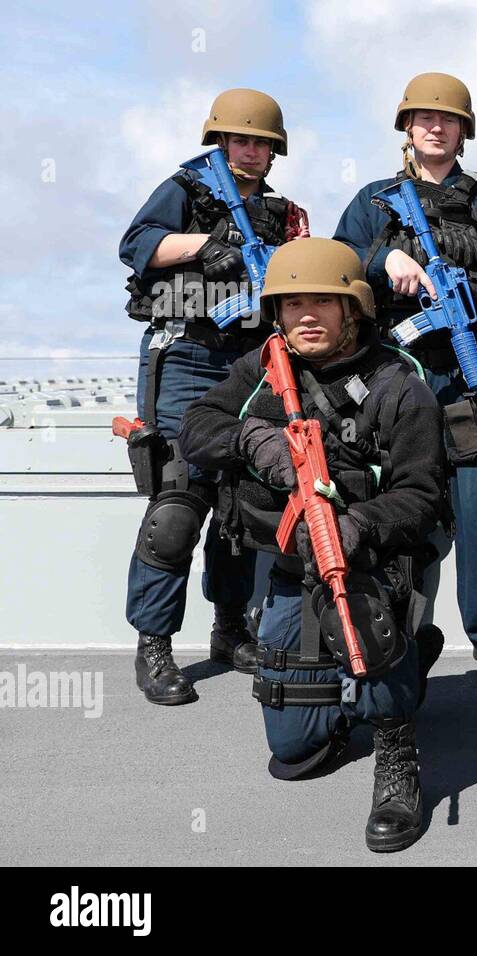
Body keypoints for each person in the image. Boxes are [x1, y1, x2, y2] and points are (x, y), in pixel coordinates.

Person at [179, 238, 451, 852]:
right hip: (292, 564)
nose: (306, 315)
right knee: (295, 753)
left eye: (323, 303)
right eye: (292, 302)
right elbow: (197, 426)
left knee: (370, 628)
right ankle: (373, 674)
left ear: (353, 309)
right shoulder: (263, 366)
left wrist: (357, 527)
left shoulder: (398, 383)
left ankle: (396, 750)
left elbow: (421, 496)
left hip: (376, 561)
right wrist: (256, 440)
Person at [334, 72, 477, 677]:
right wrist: (381, 257)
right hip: (396, 374)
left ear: (464, 131)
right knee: (394, 498)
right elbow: (338, 265)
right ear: (407, 128)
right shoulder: (374, 199)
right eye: (424, 119)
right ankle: (390, 622)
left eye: (448, 119)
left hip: (468, 372)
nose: (436, 126)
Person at [119, 88, 309, 704]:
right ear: (221, 141)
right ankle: (155, 645)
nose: (251, 151)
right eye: (240, 140)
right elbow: (137, 244)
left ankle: (229, 630)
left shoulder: (286, 215)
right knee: (178, 504)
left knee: (242, 501)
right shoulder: (187, 190)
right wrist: (204, 245)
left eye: (261, 143)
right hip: (188, 357)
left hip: (252, 362)